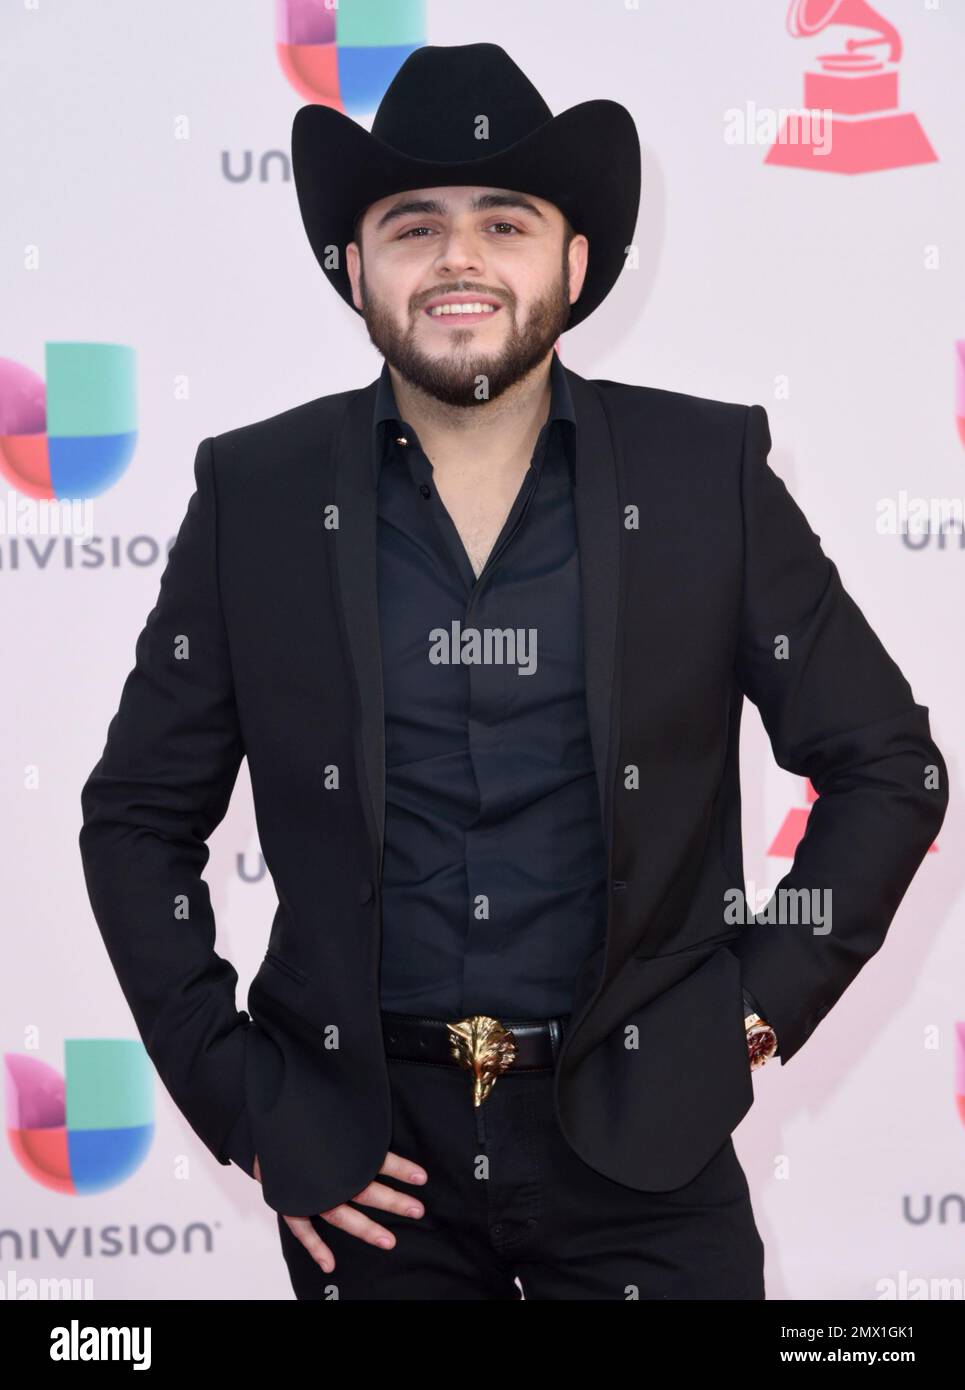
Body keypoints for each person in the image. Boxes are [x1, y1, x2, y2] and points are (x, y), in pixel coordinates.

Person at [79, 43, 948, 1301]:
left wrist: (745, 1021)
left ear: (573, 263)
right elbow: (135, 819)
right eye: (411, 225)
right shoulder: (254, 497)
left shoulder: (700, 476)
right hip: (373, 1170)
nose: (458, 259)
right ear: (354, 266)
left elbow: (887, 766)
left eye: (505, 220)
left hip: (645, 1145)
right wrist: (245, 1097)